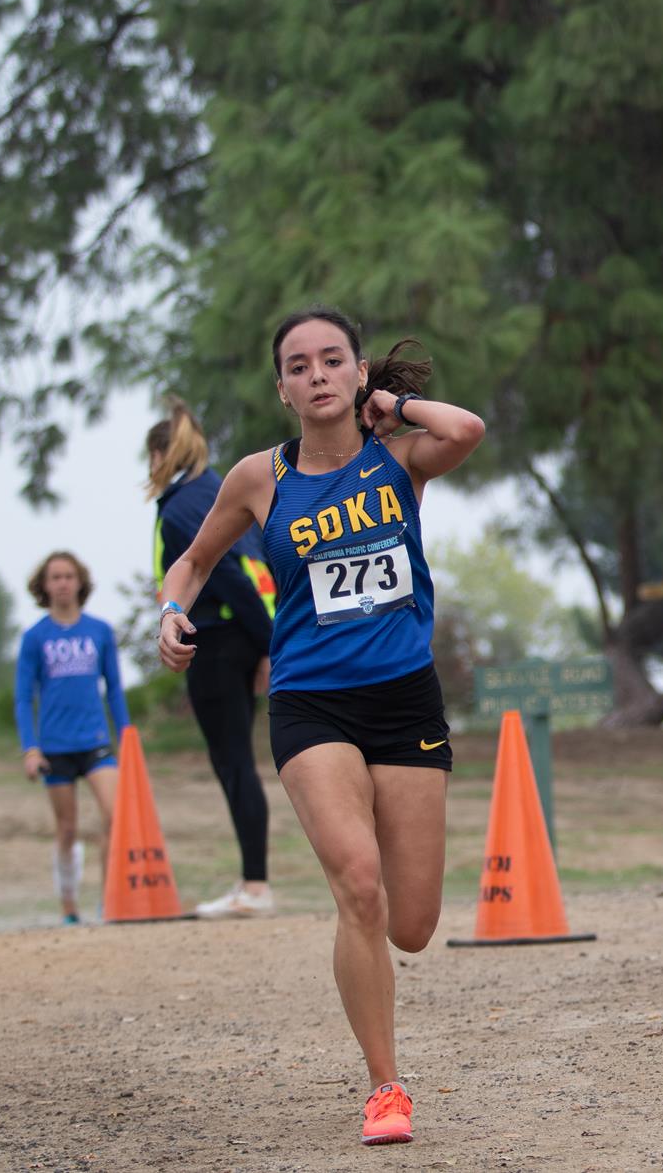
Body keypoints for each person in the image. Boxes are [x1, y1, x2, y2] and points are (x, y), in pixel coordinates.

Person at [156, 308, 484, 1147]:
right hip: (311, 700)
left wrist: (395, 406)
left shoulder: (399, 457)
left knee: (411, 921)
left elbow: (468, 428)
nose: (317, 375)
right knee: (358, 883)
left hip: (405, 699)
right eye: (298, 365)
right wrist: (170, 612)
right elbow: (194, 559)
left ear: (356, 370)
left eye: (332, 360)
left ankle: (385, 1044)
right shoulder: (258, 479)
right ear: (282, 388)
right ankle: (385, 1086)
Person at [148, 399, 278, 918]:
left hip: (221, 642)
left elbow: (225, 576)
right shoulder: (220, 489)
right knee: (239, 759)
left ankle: (255, 886)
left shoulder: (180, 506)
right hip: (249, 635)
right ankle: (254, 882)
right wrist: (270, 640)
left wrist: (270, 646)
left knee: (234, 762)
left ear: (161, 453)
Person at [14, 551, 126, 925]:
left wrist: (126, 736)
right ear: (44, 586)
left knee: (114, 815)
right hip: (54, 747)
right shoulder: (35, 637)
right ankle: (68, 905)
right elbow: (22, 697)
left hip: (96, 742)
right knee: (67, 828)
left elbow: (114, 689)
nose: (62, 582)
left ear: (80, 582)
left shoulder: (100, 631)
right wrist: (30, 748)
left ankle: (108, 900)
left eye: (68, 576)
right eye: (55, 577)